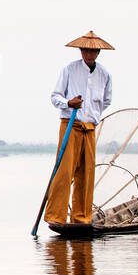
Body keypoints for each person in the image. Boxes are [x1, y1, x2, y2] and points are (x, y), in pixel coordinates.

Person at [45, 30, 114, 227]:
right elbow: (55, 97)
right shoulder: (69, 69)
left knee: (86, 173)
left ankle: (81, 218)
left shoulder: (104, 74)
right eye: (85, 50)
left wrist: (93, 114)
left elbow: (106, 100)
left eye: (92, 51)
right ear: (81, 51)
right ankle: (56, 217)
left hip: (90, 128)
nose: (89, 54)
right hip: (70, 125)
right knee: (64, 171)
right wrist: (69, 102)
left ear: (98, 53)